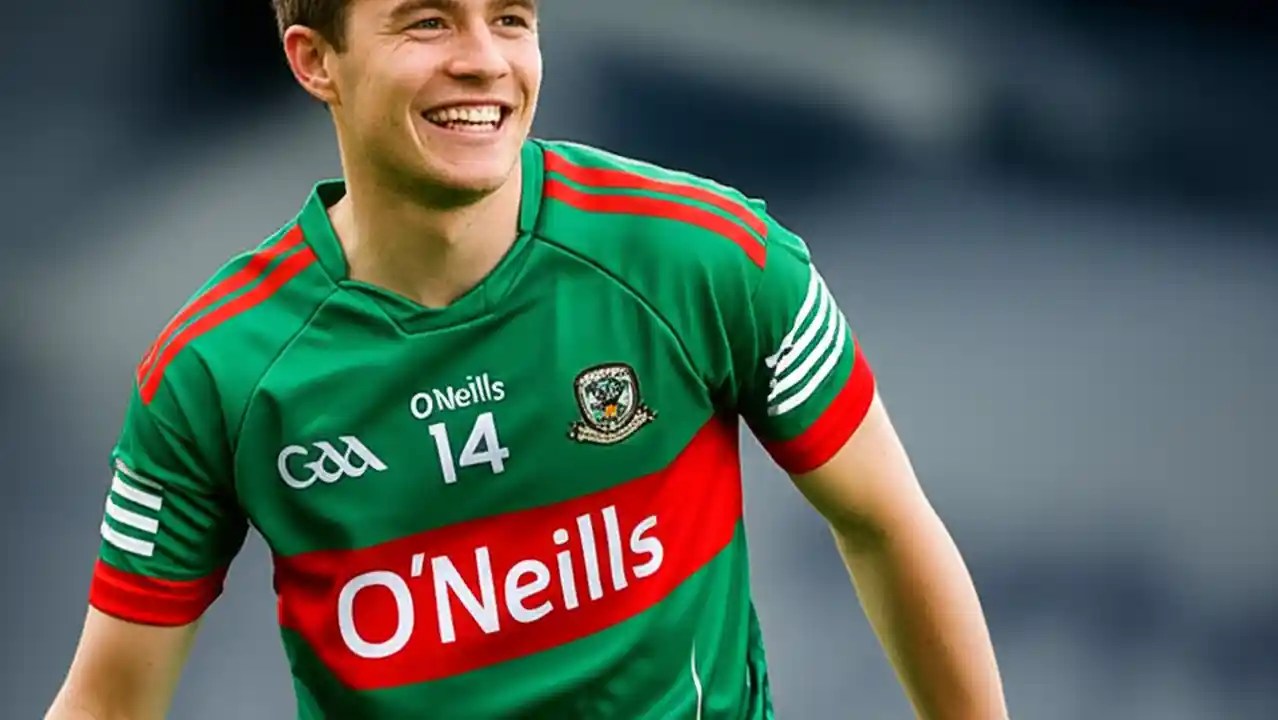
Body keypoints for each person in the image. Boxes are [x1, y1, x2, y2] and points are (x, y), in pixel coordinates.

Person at [46, 1, 1008, 718]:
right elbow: (109, 702)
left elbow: (887, 523)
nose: (484, 62)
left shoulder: (714, 257)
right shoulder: (213, 373)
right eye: (427, 23)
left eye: (510, 18)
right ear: (315, 60)